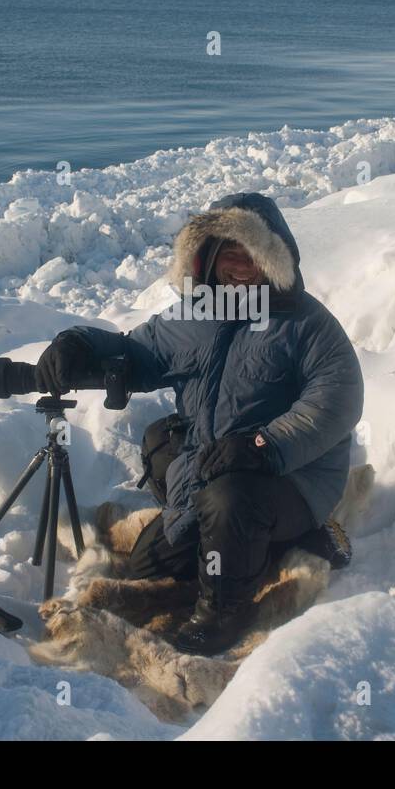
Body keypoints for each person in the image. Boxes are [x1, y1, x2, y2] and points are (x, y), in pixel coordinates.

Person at [37, 191, 363, 655]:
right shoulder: (193, 316)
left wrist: (262, 446)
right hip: (214, 468)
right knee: (153, 563)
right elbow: (133, 352)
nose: (238, 266)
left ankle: (224, 612)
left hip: (292, 475)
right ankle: (252, 544)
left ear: (272, 260)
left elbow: (336, 402)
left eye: (251, 254)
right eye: (227, 254)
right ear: (205, 260)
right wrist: (78, 344)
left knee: (231, 499)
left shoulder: (306, 323)